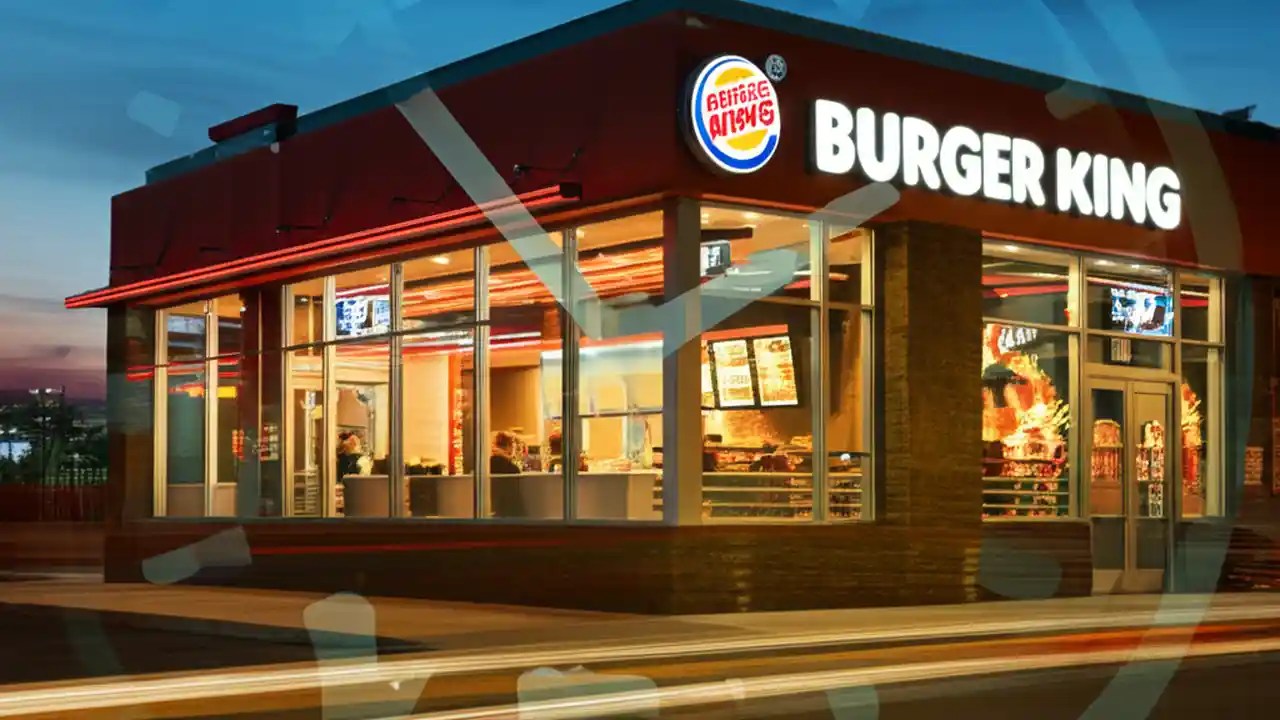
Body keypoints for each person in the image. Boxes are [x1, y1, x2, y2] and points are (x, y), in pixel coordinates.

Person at [489, 431, 524, 517]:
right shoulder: (512, 469)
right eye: (513, 447)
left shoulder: (487, 465)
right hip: (507, 513)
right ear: (508, 447)